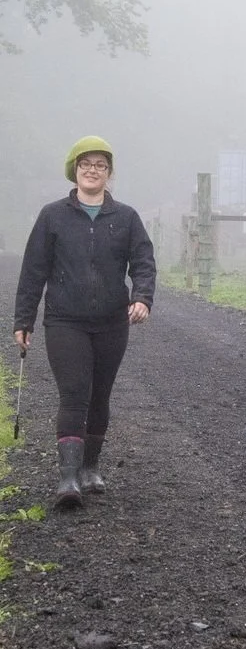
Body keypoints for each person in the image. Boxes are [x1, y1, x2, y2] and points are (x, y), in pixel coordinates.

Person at [12, 137, 155, 510]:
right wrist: (24, 319)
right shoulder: (52, 216)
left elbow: (143, 261)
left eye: (100, 165)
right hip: (65, 321)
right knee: (75, 393)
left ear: (109, 173)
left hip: (111, 322)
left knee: (100, 395)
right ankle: (68, 477)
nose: (93, 170)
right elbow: (33, 270)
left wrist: (142, 297)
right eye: (85, 164)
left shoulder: (126, 218)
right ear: (73, 170)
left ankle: (90, 467)